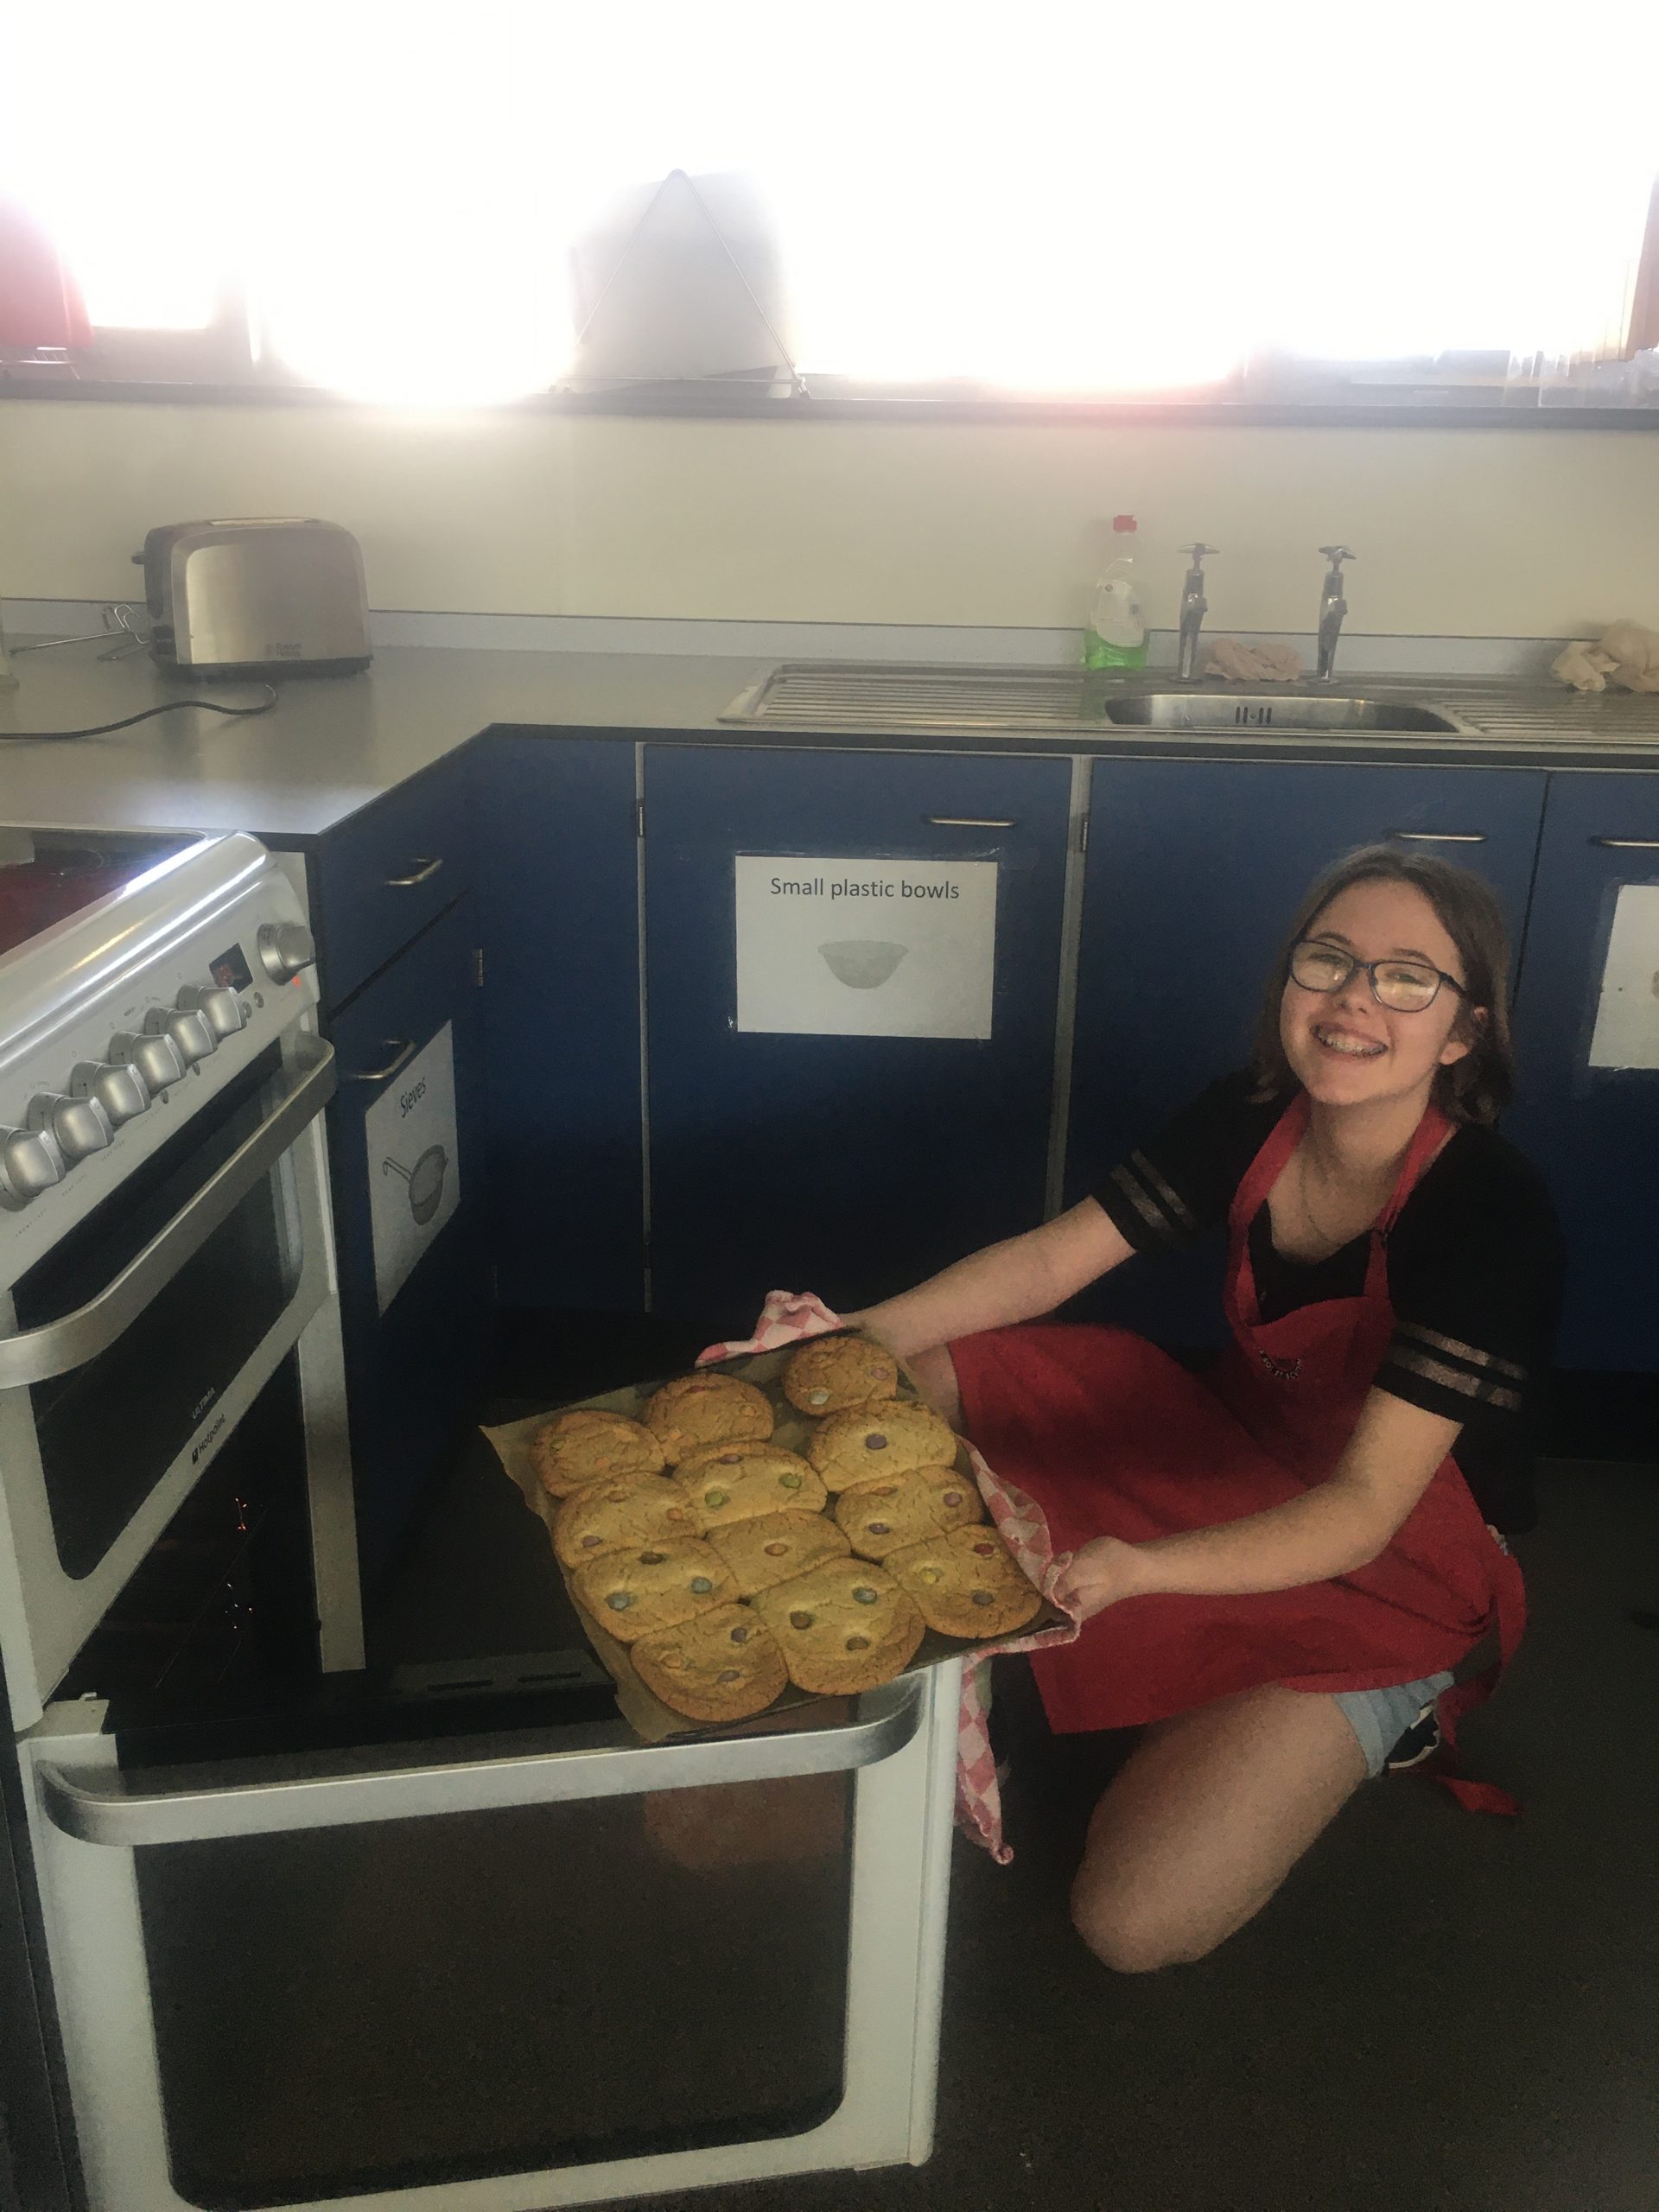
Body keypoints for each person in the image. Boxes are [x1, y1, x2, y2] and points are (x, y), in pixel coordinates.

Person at [849, 844, 1564, 1974]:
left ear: (1466, 1030)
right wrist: (851, 1339)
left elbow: (1365, 1511)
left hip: (1391, 1563)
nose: (1352, 1000)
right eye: (1327, 960)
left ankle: (1372, 1708)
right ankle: (1169, 1662)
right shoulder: (1252, 1117)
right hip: (1233, 1448)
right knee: (921, 1371)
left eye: (1405, 978)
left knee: (1133, 1925)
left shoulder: (1491, 1215)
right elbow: (1046, 1263)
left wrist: (1139, 1568)